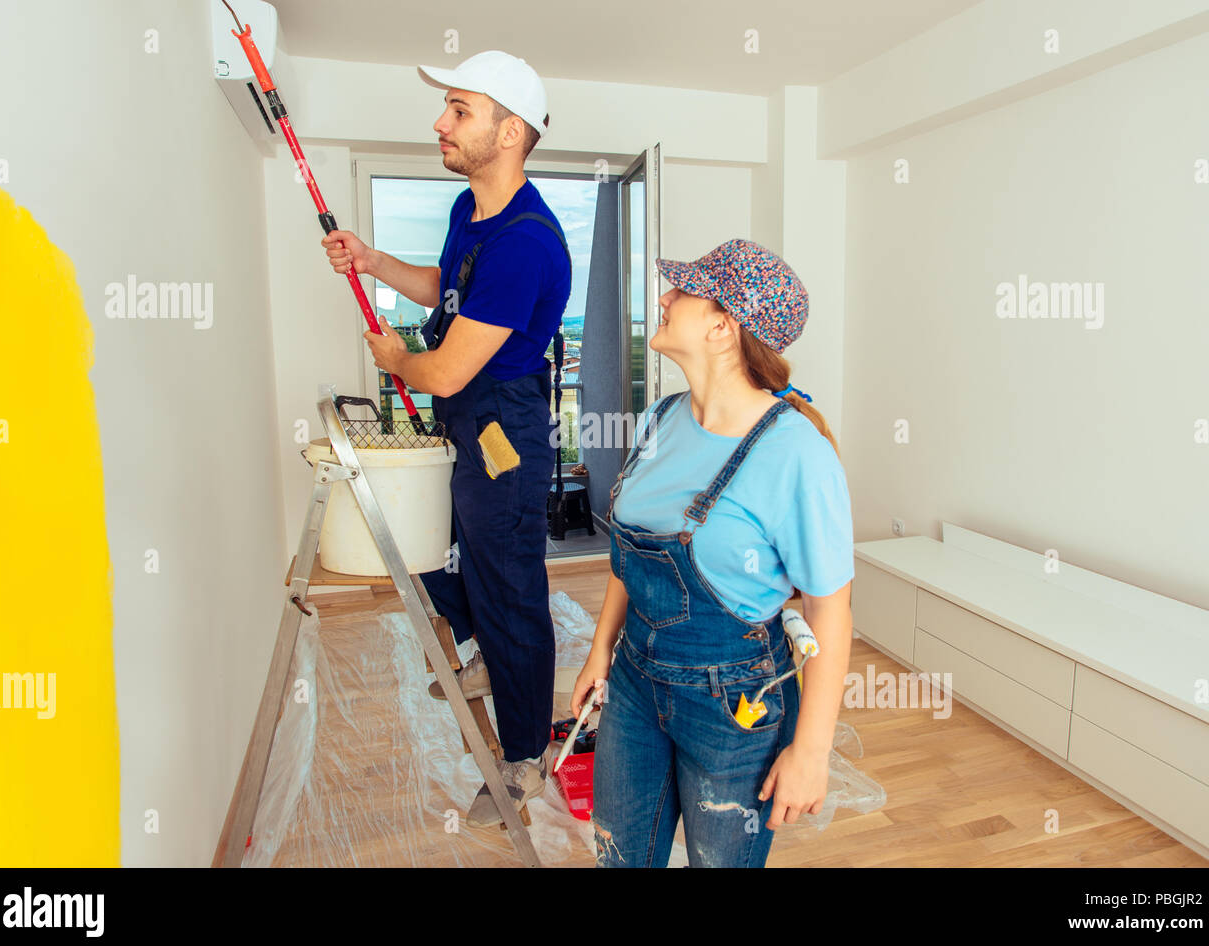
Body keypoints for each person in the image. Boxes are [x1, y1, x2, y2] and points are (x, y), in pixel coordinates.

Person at [322, 50, 571, 826]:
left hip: (503, 426)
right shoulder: (473, 211)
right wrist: (374, 261)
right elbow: (448, 289)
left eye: (460, 110)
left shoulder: (528, 240)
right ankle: (478, 654)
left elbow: (450, 370)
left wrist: (401, 359)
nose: (441, 121)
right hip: (470, 413)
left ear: (508, 132)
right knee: (440, 545)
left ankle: (524, 756)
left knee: (511, 589)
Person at [570, 239, 855, 867]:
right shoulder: (660, 420)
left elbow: (831, 614)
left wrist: (810, 752)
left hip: (734, 700)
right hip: (634, 681)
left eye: (684, 291)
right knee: (620, 856)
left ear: (724, 328)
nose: (665, 298)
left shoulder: (795, 453)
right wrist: (600, 651)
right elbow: (630, 558)